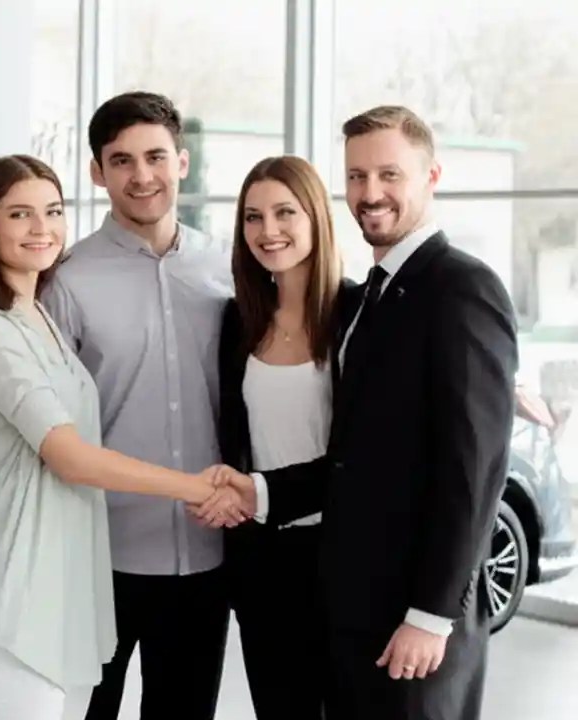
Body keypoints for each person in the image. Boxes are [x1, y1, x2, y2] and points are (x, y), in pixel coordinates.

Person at [206, 105, 519, 720]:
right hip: (355, 600)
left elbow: (472, 472)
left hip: (411, 612)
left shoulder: (461, 287)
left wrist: (431, 614)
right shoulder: (381, 294)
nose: (370, 192)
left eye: (388, 174)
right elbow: (361, 461)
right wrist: (259, 492)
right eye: (356, 176)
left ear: (431, 176)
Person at [0, 153, 244, 720]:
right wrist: (198, 488)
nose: (42, 228)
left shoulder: (36, 315)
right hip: (11, 597)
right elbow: (70, 458)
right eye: (20, 214)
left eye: (53, 211)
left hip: (56, 588)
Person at [40, 91, 235, 720]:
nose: (142, 175)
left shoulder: (228, 270)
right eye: (121, 161)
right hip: (100, 561)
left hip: (207, 556)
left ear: (182, 162)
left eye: (156, 156)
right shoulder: (65, 281)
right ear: (97, 172)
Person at [209, 155, 354, 720]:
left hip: (344, 555)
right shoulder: (238, 320)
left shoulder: (359, 312)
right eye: (253, 217)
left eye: (284, 213)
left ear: (316, 216)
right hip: (263, 560)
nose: (267, 230)